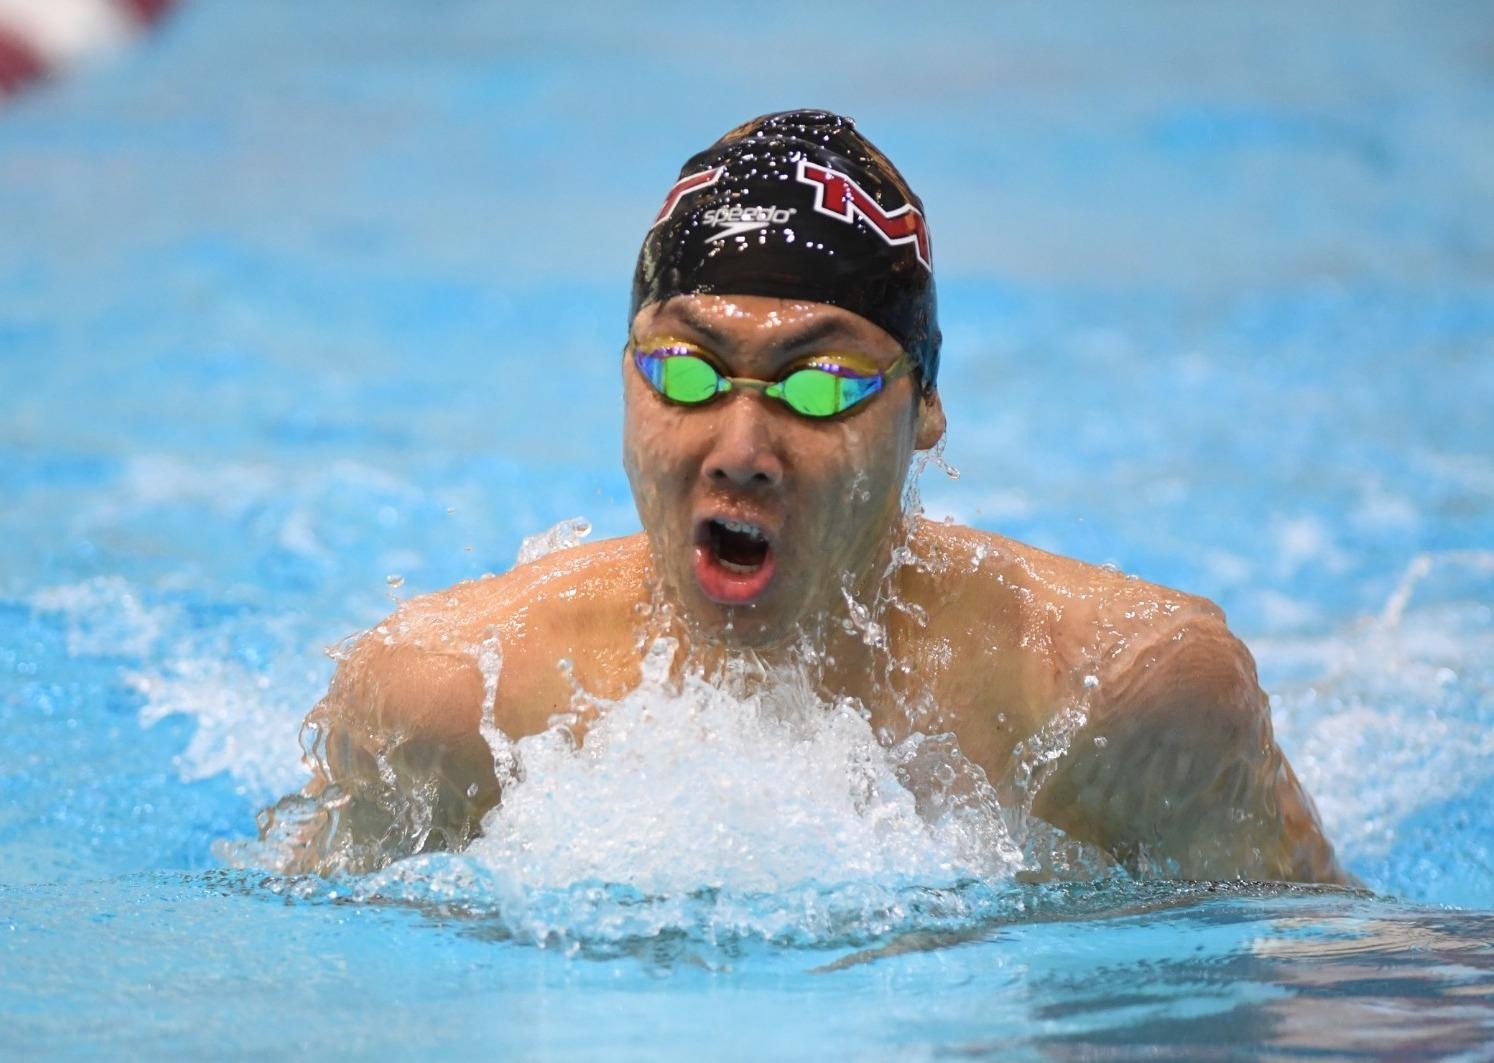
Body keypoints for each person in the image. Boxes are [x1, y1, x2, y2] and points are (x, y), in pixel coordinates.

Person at [262, 110, 1349, 885]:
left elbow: (1318, 981)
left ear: (923, 409)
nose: (741, 447)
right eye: (684, 371)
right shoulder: (449, 700)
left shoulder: (1118, 696)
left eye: (820, 384)